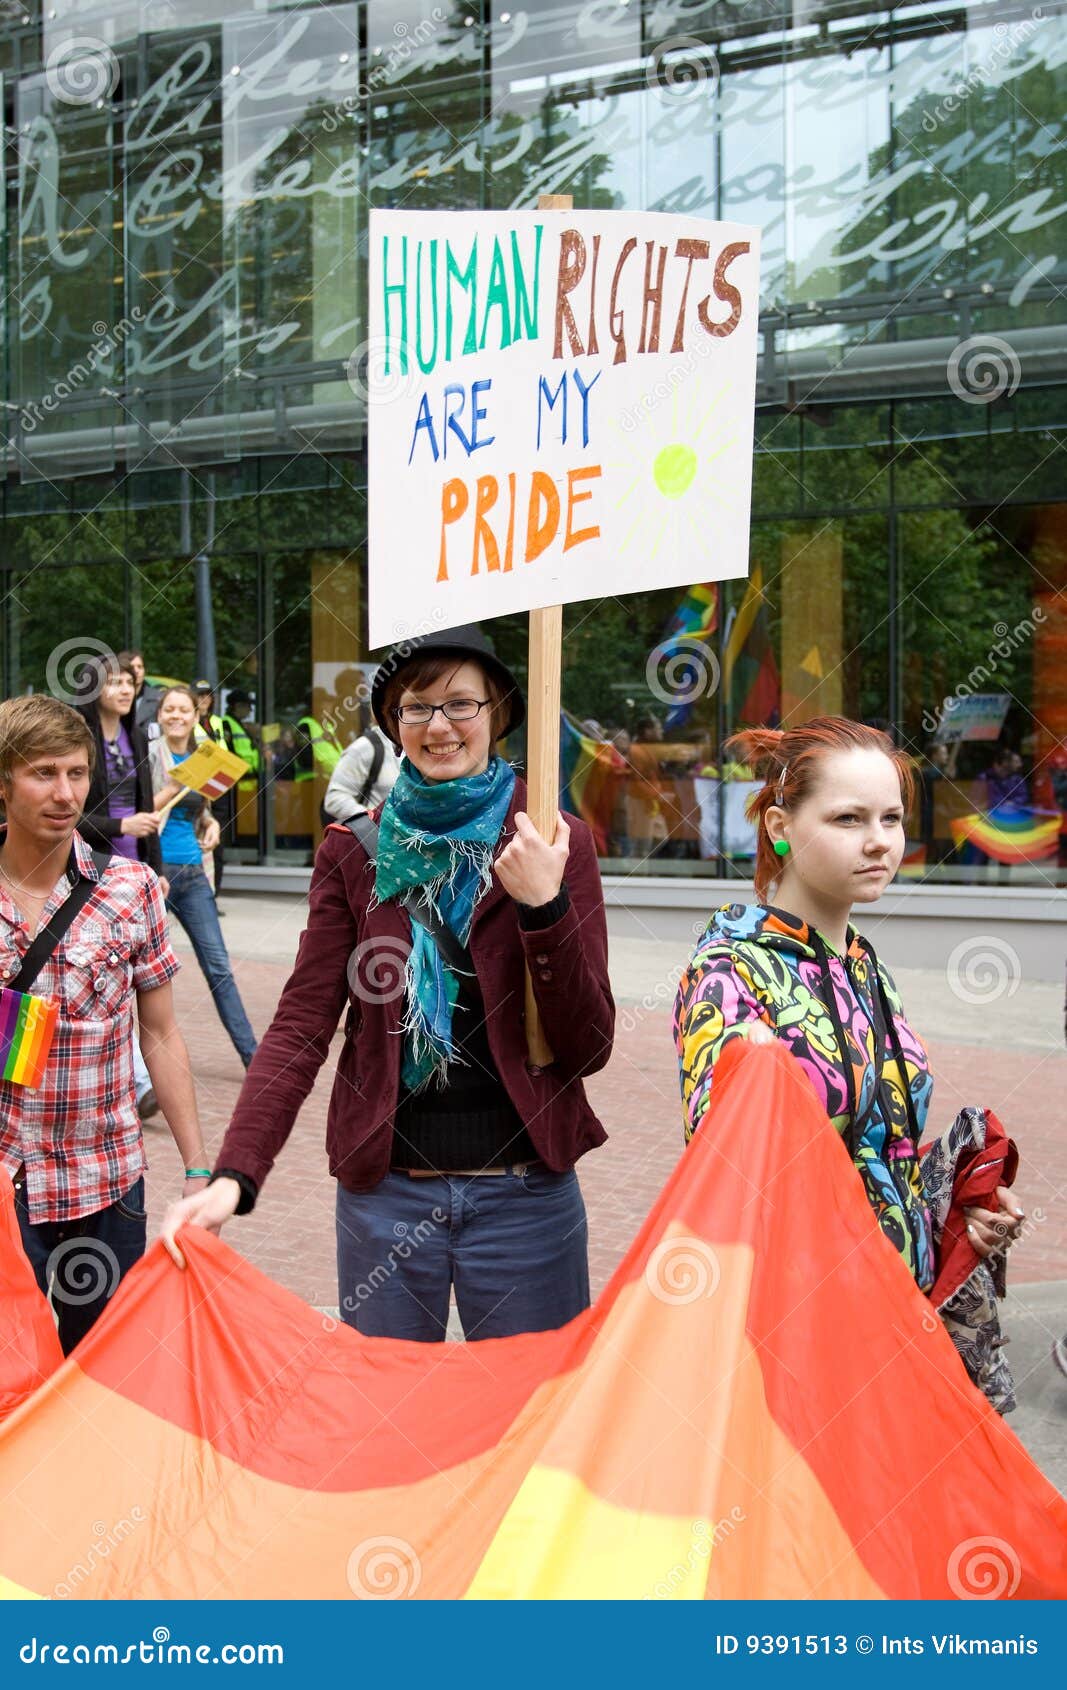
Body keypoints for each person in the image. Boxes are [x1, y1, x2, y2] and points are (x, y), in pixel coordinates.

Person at [161, 624, 615, 1342]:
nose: (439, 727)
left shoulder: (553, 840)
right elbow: (302, 1022)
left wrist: (544, 906)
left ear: (497, 712)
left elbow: (587, 1046)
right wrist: (234, 1174)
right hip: (387, 1199)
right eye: (415, 708)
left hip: (526, 1197)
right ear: (391, 724)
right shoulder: (352, 852)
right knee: (386, 1430)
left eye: (460, 705)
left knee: (531, 1427)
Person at [674, 717, 1024, 1407]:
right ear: (780, 826)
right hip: (798, 1337)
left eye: (891, 818)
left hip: (902, 1316)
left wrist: (953, 1211)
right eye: (847, 818)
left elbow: (875, 1149)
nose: (879, 841)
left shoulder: (864, 965)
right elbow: (727, 1180)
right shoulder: (729, 974)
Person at [0, 694, 210, 1352]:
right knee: (15, 1377)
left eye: (77, 773)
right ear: (3, 784)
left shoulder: (133, 889)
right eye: (43, 773)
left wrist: (199, 1168)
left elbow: (161, 1034)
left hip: (106, 1180)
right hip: (6, 1186)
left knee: (100, 1375)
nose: (64, 793)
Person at [74, 651, 165, 1122]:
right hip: (93, 873)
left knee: (136, 978)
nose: (125, 690)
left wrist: (155, 868)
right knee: (106, 979)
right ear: (94, 690)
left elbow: (148, 813)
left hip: (135, 877)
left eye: (129, 681)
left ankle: (134, 1078)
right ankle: (137, 1080)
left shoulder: (136, 737)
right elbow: (71, 817)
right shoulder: (80, 741)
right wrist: (121, 824)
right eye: (114, 682)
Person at [150, 686, 258, 1070]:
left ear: (196, 717)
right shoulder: (150, 756)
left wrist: (211, 825)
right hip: (154, 875)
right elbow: (136, 815)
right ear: (160, 716)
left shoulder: (205, 758)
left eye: (184, 710)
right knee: (143, 972)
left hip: (194, 874)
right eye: (170, 709)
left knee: (218, 967)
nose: (177, 715)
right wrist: (170, 789)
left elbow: (201, 812)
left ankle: (253, 1058)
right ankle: (139, 1070)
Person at [192, 680, 236, 902]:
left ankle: (213, 895)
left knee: (217, 843)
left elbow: (227, 754)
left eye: (208, 696)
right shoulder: (188, 723)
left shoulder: (218, 723)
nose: (204, 700)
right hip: (198, 788)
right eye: (200, 695)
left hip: (219, 788)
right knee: (197, 841)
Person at [322, 719, 400, 823]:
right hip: (377, 835)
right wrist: (375, 820)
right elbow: (334, 799)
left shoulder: (415, 746)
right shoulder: (365, 746)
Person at [118, 648, 162, 736]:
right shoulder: (111, 699)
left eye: (140, 667)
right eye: (132, 667)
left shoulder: (159, 698)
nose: (136, 671)